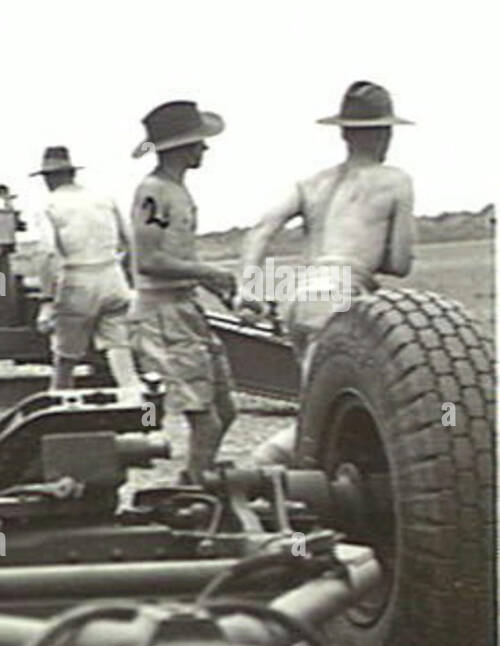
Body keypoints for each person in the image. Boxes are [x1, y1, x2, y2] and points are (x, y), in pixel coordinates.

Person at [238, 81, 416, 466]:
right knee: (323, 417)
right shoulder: (395, 181)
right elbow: (401, 262)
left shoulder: (312, 183)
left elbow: (261, 229)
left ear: (344, 133)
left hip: (301, 296)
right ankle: (253, 472)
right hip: (340, 297)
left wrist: (250, 285)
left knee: (319, 403)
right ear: (384, 134)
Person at [127, 102, 239, 483]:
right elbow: (148, 260)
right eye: (199, 143)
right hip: (162, 316)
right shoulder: (154, 193)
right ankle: (196, 488)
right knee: (205, 421)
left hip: (185, 308)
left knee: (226, 410)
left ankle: (197, 477)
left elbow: (174, 257)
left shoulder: (175, 191)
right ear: (182, 147)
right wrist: (211, 271)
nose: (204, 149)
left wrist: (218, 286)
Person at [30, 146, 139, 390]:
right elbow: (130, 241)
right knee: (120, 351)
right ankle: (139, 406)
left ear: (48, 178)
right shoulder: (104, 198)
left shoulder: (49, 205)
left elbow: (47, 253)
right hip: (113, 277)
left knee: (65, 357)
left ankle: (58, 408)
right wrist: (129, 280)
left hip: (77, 280)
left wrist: (47, 301)